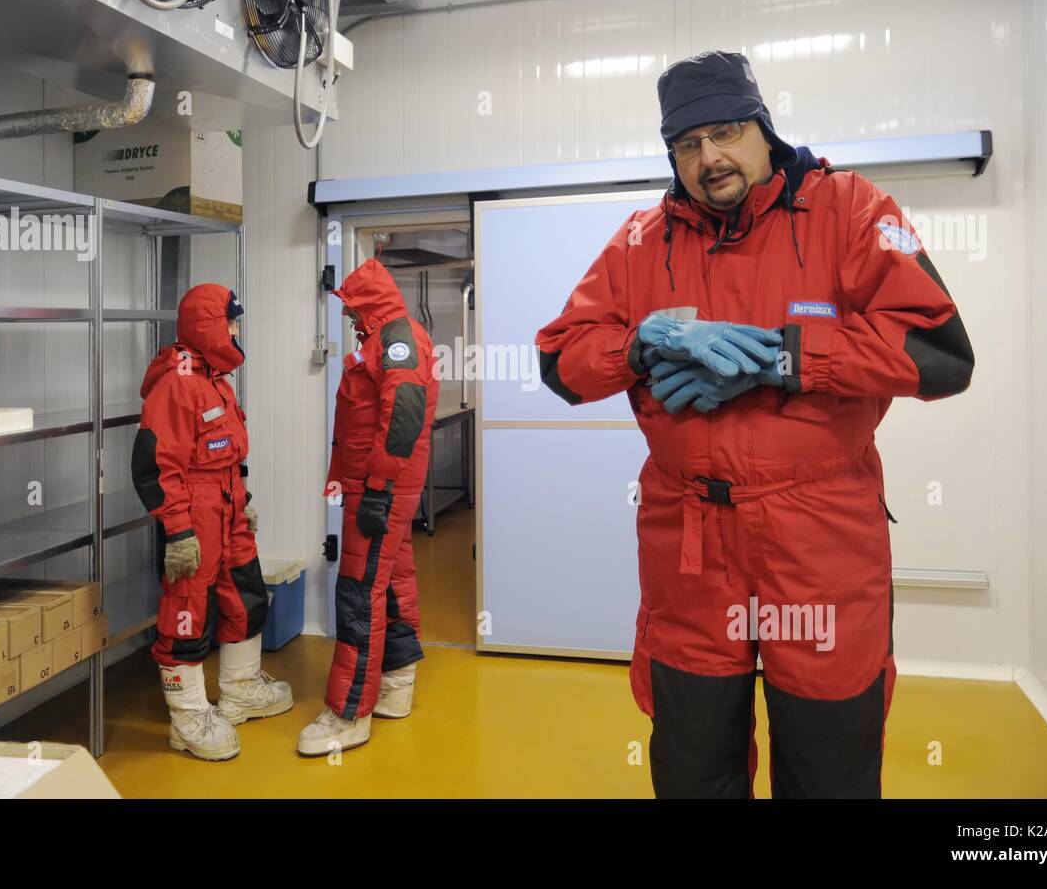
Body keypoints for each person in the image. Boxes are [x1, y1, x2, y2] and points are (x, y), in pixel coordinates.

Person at [535, 51, 974, 798]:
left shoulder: (851, 211)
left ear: (763, 127)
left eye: (725, 132)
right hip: (689, 549)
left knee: (827, 766)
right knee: (692, 766)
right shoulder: (643, 240)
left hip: (821, 540)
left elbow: (941, 353)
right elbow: (558, 360)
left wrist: (786, 357)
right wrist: (639, 343)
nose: (708, 159)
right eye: (686, 145)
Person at [131, 283, 292, 761]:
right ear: (210, 327)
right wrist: (178, 531)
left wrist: (242, 502)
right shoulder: (177, 382)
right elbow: (156, 465)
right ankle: (188, 717)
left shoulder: (215, 377)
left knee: (245, 593)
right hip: (195, 516)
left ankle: (240, 689)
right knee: (187, 611)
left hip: (229, 509)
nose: (238, 330)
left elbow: (225, 453)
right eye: (232, 322)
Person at [298, 258, 440, 756]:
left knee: (359, 592)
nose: (351, 318)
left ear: (370, 304)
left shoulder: (396, 339)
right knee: (392, 580)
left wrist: (377, 486)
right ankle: (396, 685)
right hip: (380, 484)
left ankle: (348, 713)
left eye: (355, 309)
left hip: (380, 486)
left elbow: (403, 412)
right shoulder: (385, 339)